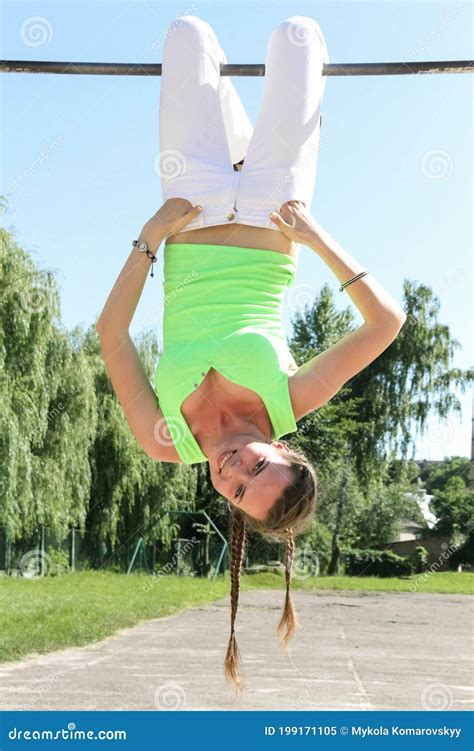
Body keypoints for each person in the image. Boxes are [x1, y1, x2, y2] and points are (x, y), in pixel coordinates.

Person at [96, 15, 407, 689]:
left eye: (237, 490)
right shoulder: (289, 397)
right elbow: (387, 321)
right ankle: (238, 127)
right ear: (287, 451)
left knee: (185, 34)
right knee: (297, 35)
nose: (233, 468)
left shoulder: (163, 439)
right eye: (258, 467)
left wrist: (150, 236)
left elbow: (111, 338)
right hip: (275, 209)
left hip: (190, 210)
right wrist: (317, 235)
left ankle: (222, 117)